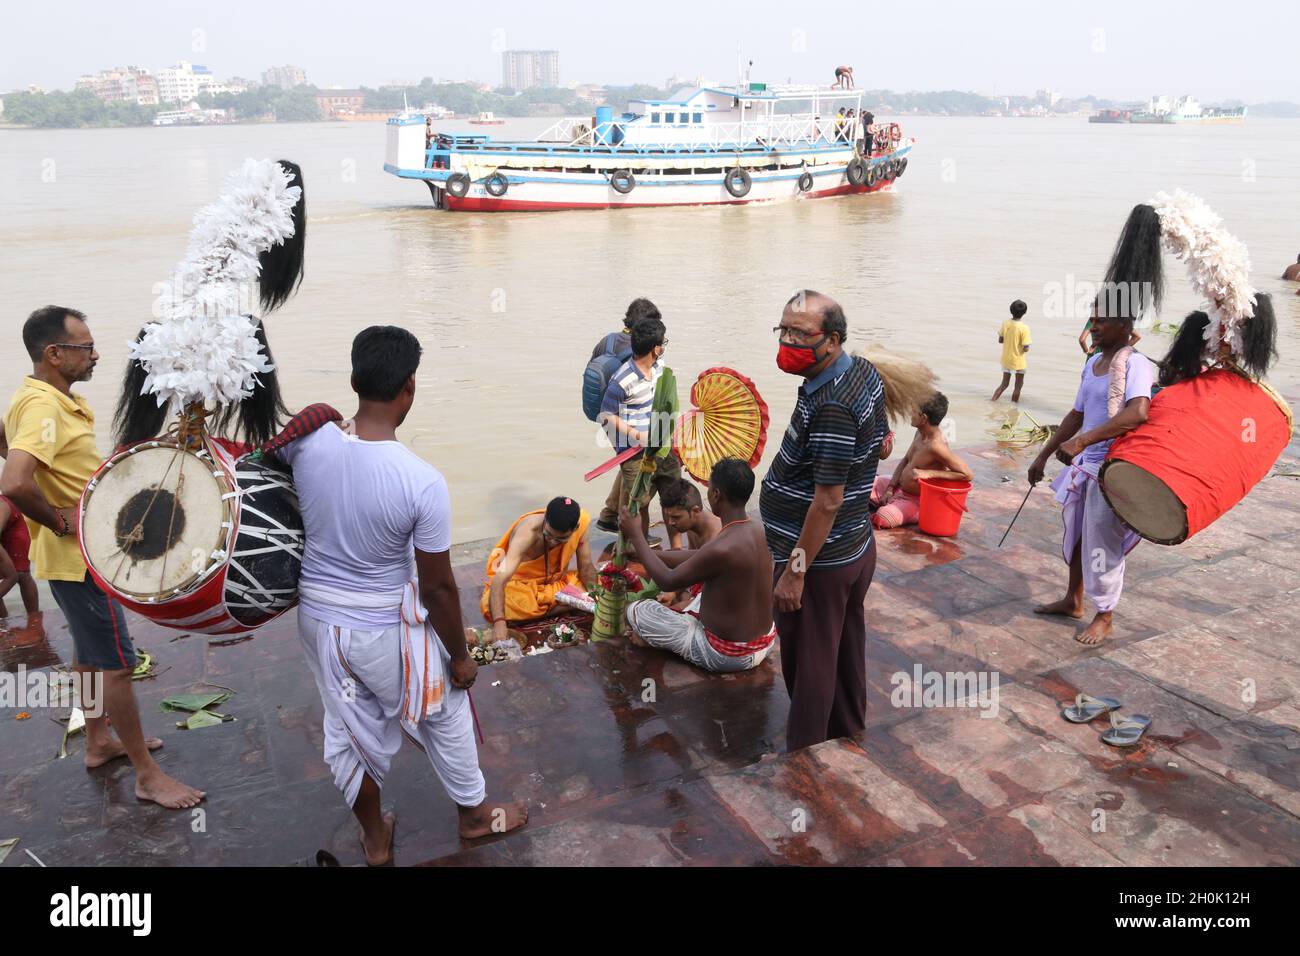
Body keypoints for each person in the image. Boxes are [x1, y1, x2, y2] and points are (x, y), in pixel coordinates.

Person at [276, 325, 527, 863]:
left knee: (344, 730)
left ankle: (374, 839)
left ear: (353, 379)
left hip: (318, 621)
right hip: (380, 628)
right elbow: (437, 587)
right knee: (445, 708)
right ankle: (475, 817)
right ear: (410, 386)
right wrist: (460, 657)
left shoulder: (306, 442)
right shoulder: (421, 480)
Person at [1, 306, 203, 808]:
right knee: (116, 664)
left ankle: (97, 741)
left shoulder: (38, 400)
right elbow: (15, 483)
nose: (95, 355)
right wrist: (62, 519)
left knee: (90, 659)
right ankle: (147, 776)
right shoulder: (45, 408)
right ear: (53, 353)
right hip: (78, 558)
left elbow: (10, 446)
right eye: (85, 347)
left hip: (70, 559)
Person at [760, 291, 889, 751]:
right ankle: (848, 728)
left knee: (810, 661)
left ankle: (805, 753)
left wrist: (795, 573)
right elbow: (882, 433)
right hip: (855, 545)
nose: (788, 340)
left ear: (832, 341)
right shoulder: (862, 371)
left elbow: (827, 502)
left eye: (800, 333)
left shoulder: (832, 404)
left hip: (820, 560)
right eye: (784, 330)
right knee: (845, 644)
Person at [1028, 305, 1155, 646]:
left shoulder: (1135, 363)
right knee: (1080, 535)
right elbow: (1076, 414)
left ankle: (1105, 615)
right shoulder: (1092, 364)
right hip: (1085, 465)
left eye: (1102, 321)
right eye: (1092, 321)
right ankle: (1073, 599)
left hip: (1113, 467)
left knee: (1104, 541)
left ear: (1125, 325)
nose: (1094, 327)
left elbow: (1138, 411)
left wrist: (1082, 440)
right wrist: (1042, 456)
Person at [619, 458, 775, 673]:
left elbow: (667, 579)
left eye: (709, 488)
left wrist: (636, 536)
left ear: (716, 494)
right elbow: (698, 556)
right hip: (765, 642)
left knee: (637, 610)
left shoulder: (722, 545)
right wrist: (646, 553)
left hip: (726, 654)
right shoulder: (760, 529)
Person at [595, 316, 684, 540]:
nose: (664, 347)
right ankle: (639, 550)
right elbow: (606, 416)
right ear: (655, 349)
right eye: (663, 343)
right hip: (634, 453)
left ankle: (677, 549)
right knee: (639, 505)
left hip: (662, 446)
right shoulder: (622, 380)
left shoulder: (660, 369)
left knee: (674, 497)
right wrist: (637, 435)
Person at [481, 496, 599, 639]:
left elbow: (586, 567)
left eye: (561, 539)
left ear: (576, 528)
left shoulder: (583, 522)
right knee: (492, 604)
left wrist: (597, 598)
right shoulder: (527, 532)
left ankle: (547, 608)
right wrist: (499, 622)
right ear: (545, 520)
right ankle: (563, 605)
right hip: (522, 586)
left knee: (602, 585)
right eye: (548, 535)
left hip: (556, 584)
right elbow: (499, 580)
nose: (553, 542)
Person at [870, 392, 972, 529]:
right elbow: (905, 460)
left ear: (923, 418)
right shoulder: (919, 432)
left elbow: (967, 474)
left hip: (917, 500)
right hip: (899, 487)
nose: (910, 414)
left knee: (883, 517)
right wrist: (890, 488)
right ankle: (889, 499)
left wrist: (930, 473)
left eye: (914, 411)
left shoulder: (937, 446)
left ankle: (906, 510)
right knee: (863, 484)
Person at [653, 478, 722, 609]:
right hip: (702, 587)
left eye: (676, 517)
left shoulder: (715, 536)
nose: (671, 523)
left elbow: (712, 595)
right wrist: (673, 593)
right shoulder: (692, 527)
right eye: (669, 517)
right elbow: (691, 569)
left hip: (718, 599)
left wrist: (676, 606)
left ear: (695, 511)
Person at [0, 494, 40, 619]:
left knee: (21, 574)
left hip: (13, 523)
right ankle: (3, 620)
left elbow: (12, 576)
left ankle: (34, 617)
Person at [992, 299, 1032, 402]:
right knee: (1018, 386)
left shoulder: (1005, 323)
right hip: (1019, 361)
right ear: (1025, 313)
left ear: (1011, 310)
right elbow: (1026, 348)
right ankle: (1014, 406)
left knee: (1004, 384)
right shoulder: (1024, 328)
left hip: (1006, 360)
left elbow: (1000, 340)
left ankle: (992, 401)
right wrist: (1026, 347)